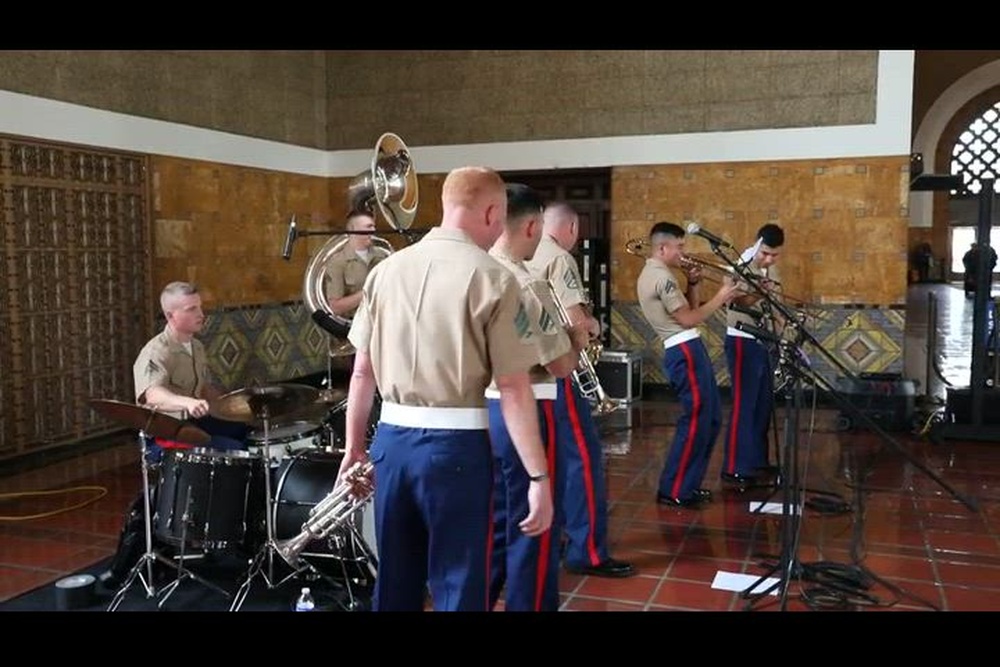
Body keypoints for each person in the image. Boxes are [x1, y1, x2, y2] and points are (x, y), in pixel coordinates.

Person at [338, 166, 554, 612]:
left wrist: (353, 448)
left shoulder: (385, 272)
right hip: (457, 450)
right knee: (459, 581)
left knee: (395, 577)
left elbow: (362, 374)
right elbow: (513, 387)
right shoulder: (495, 278)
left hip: (391, 444)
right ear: (493, 211)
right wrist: (538, 476)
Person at [100, 281, 250, 588]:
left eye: (200, 306)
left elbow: (203, 387)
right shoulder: (156, 351)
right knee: (232, 449)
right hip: (169, 433)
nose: (201, 314)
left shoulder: (196, 346)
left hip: (195, 423)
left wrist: (234, 403)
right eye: (192, 309)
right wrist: (187, 402)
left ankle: (240, 521)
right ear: (171, 315)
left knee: (247, 432)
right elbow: (151, 394)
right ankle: (212, 526)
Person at [485, 183, 590, 612]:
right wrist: (577, 337)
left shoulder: (477, 269)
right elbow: (561, 365)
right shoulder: (524, 282)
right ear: (532, 225)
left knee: (494, 526)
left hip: (481, 411)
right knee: (535, 527)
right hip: (528, 407)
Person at [524, 201, 635, 579]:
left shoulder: (514, 252)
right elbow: (575, 321)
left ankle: (550, 537)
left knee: (543, 463)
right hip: (559, 372)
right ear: (571, 228)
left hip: (520, 378)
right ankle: (587, 550)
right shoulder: (559, 257)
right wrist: (593, 326)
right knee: (582, 459)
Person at [635, 222, 739, 507]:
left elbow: (689, 311)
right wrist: (722, 295)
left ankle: (688, 484)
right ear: (662, 248)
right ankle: (675, 489)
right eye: (679, 247)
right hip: (683, 349)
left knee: (711, 418)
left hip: (688, 347)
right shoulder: (660, 277)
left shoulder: (662, 274)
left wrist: (693, 283)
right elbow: (688, 320)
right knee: (696, 420)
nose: (684, 252)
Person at [721, 223, 784, 490]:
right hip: (742, 342)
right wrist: (760, 292)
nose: (769, 259)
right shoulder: (740, 264)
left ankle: (757, 460)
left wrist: (781, 337)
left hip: (766, 341)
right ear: (757, 244)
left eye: (775, 255)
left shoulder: (770, 268)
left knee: (762, 406)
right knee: (744, 405)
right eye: (766, 253)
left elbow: (778, 302)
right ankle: (735, 467)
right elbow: (735, 301)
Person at [323, 210, 389, 318]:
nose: (374, 230)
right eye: (368, 226)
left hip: (382, 321)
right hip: (353, 326)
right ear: (353, 229)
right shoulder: (337, 262)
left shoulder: (383, 256)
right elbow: (336, 307)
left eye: (373, 226)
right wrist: (368, 293)